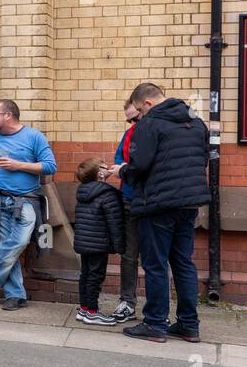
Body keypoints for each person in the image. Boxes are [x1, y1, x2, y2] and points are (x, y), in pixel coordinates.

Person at [111, 82, 210, 343]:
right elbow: (202, 160)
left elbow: (139, 166)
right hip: (189, 203)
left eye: (139, 112)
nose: (139, 118)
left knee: (155, 265)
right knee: (183, 263)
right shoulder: (197, 123)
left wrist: (121, 171)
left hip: (158, 205)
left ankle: (155, 324)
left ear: (147, 104)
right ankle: (189, 325)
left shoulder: (150, 124)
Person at [0, 99, 57, 311]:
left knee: (18, 243)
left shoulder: (34, 137)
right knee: (4, 247)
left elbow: (50, 166)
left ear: (8, 115)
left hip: (26, 200)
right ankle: (15, 294)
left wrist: (19, 165)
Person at [72, 156, 126, 325]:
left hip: (85, 243)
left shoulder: (83, 191)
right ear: (100, 174)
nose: (108, 167)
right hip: (99, 244)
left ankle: (84, 309)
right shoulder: (107, 193)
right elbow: (115, 222)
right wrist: (120, 246)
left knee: (86, 275)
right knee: (95, 277)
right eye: (104, 166)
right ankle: (93, 312)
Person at [109, 101, 143, 322]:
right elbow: (118, 161)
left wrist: (124, 169)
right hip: (130, 199)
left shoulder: (160, 132)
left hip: (155, 203)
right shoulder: (129, 134)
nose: (132, 123)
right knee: (129, 255)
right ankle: (127, 302)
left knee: (158, 258)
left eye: (135, 118)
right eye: (129, 120)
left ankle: (159, 310)